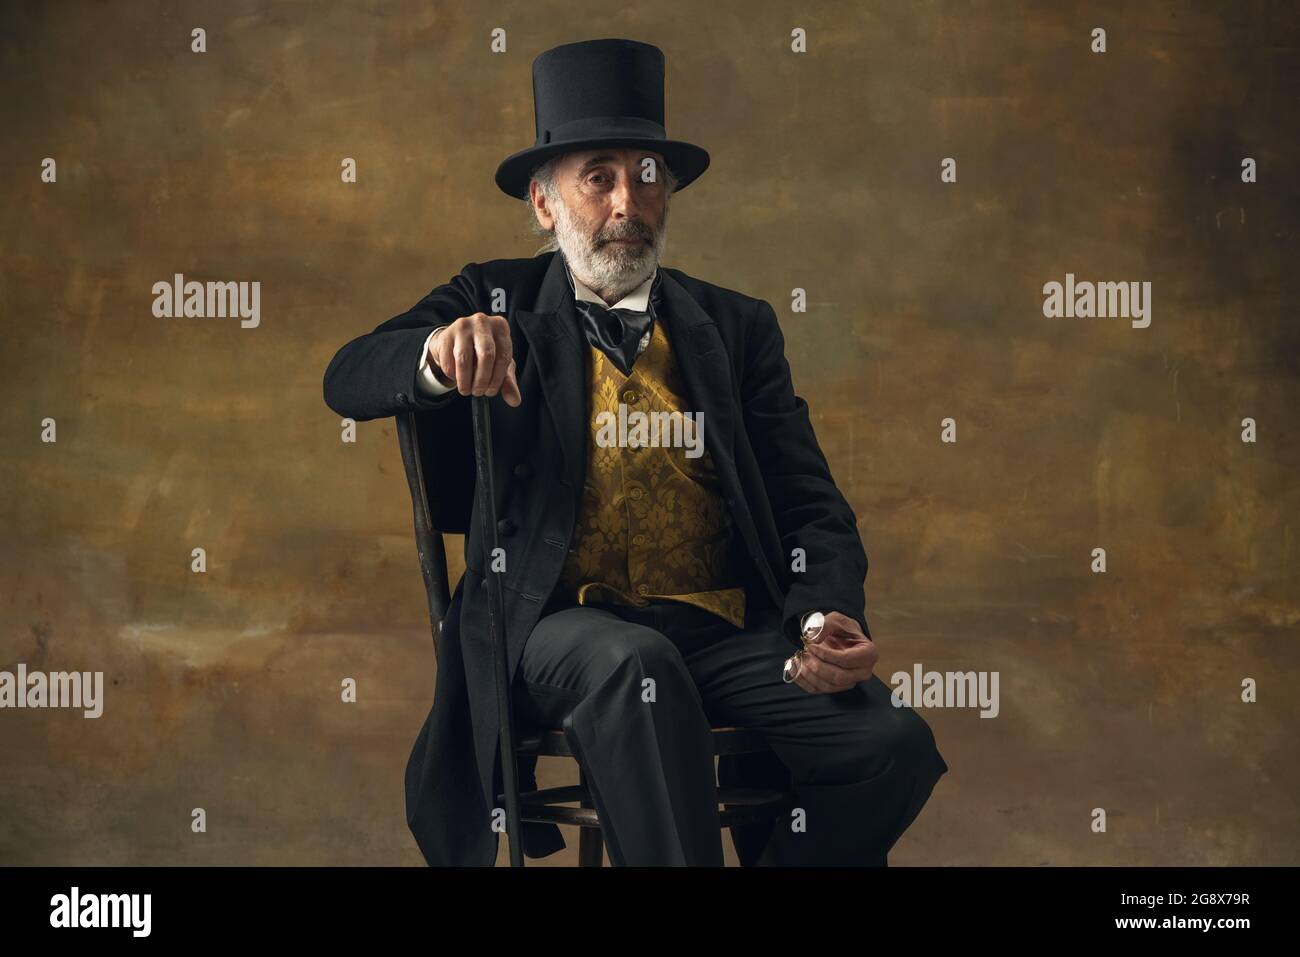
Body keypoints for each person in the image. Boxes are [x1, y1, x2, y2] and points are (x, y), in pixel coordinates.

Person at [322, 38, 948, 866]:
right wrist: (438, 350)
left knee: (891, 743)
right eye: (600, 175)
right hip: (551, 624)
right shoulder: (495, 294)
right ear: (545, 205)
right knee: (634, 664)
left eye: (648, 175)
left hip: (719, 628)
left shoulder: (736, 326)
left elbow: (808, 503)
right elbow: (347, 374)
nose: (628, 200)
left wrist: (822, 613)